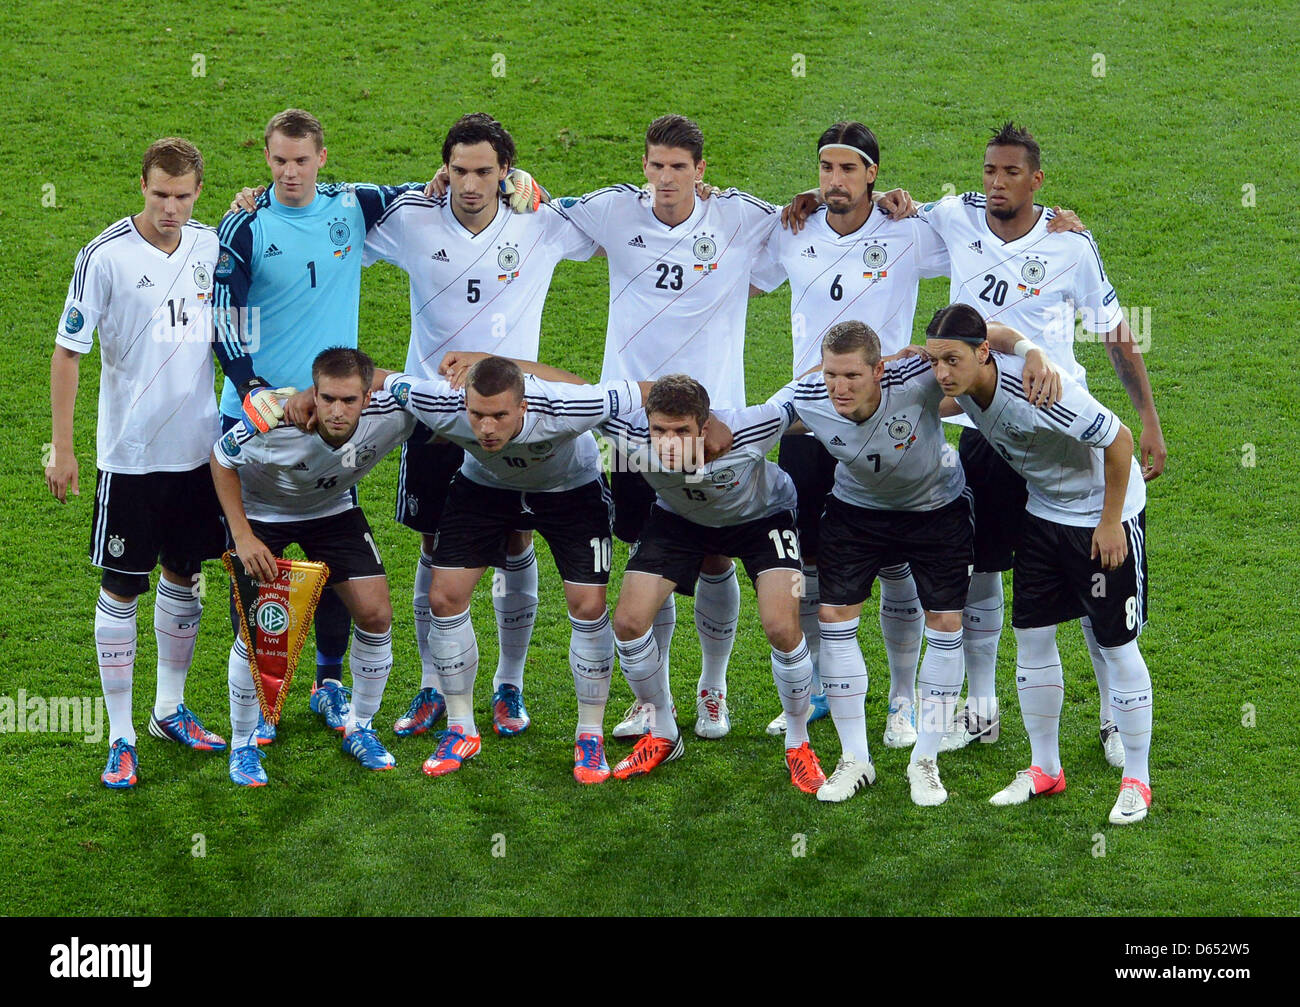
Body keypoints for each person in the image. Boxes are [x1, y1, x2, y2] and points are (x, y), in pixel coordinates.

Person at [879, 123, 1165, 765]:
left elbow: (1115, 332)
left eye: (1010, 173)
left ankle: (1114, 720)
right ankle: (981, 711)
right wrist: (864, 199)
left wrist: (1147, 418)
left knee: (1094, 581)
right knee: (976, 571)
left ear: (1036, 180)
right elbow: (891, 212)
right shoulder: (955, 216)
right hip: (976, 428)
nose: (996, 182)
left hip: (1056, 427)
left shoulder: (1071, 245)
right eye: (988, 171)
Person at [360, 113, 598, 742]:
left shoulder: (540, 222)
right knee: (436, 547)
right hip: (437, 417)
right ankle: (434, 685)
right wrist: (257, 199)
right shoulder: (412, 218)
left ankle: (508, 683)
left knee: (517, 543)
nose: (470, 184)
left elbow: (625, 223)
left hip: (513, 419)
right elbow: (329, 223)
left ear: (506, 173)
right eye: (460, 170)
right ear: (445, 170)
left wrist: (702, 196)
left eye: (484, 172)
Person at [554, 114, 782, 741]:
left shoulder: (740, 217)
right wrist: (512, 179)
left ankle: (713, 686)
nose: (665, 180)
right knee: (641, 554)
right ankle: (650, 700)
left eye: (678, 168)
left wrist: (888, 200)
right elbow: (536, 208)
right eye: (655, 166)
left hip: (714, 426)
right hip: (628, 426)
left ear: (701, 170)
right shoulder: (613, 213)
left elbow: (816, 219)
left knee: (713, 558)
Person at [768, 319, 1058, 805]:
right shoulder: (805, 395)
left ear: (881, 370)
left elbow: (984, 335)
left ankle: (925, 759)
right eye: (831, 375)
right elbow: (749, 421)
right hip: (856, 512)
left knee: (946, 624)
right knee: (834, 616)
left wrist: (1031, 352)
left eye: (852, 377)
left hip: (935, 512)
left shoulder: (920, 374)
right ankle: (853, 758)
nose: (839, 387)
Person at [211, 108, 423, 737]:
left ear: (321, 158)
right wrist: (251, 387)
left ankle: (329, 682)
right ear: (267, 159)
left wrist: (504, 180)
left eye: (301, 160)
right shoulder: (246, 223)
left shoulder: (351, 205)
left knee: (331, 552)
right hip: (259, 416)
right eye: (278, 160)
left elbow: (430, 192)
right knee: (252, 565)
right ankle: (258, 697)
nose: (290, 172)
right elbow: (223, 316)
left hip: (336, 412)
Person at [926, 303, 1153, 824]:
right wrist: (1028, 347)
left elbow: (1117, 439)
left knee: (1116, 644)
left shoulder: (1040, 394)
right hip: (1043, 513)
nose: (941, 374)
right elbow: (1000, 330)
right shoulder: (972, 375)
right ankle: (1045, 767)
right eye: (936, 360)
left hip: (1100, 514)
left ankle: (1137, 778)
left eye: (951, 361)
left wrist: (1111, 521)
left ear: (982, 355)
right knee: (1031, 637)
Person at [47, 137, 227, 789]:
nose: (170, 208)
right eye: (159, 195)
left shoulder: (211, 243)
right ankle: (120, 734)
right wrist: (63, 448)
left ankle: (168, 709)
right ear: (142, 185)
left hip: (198, 453)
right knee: (123, 582)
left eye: (181, 196)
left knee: (185, 572)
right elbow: (69, 353)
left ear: (197, 191)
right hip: (130, 456)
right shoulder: (105, 256)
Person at [373, 355, 643, 783]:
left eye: (500, 415)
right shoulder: (438, 402)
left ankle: (589, 736)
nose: (486, 428)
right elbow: (379, 378)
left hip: (570, 490)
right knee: (444, 597)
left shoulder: (567, 407)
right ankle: (461, 729)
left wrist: (707, 421)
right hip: (485, 487)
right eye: (477, 415)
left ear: (524, 406)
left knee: (588, 606)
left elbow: (643, 392)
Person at [602, 375, 823, 791]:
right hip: (679, 520)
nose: (668, 443)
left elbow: (805, 391)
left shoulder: (751, 426)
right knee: (629, 622)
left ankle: (799, 744)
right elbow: (565, 396)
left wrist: (891, 363)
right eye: (659, 431)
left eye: (681, 431)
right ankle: (664, 733)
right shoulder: (625, 433)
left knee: (781, 627)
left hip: (761, 519)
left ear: (705, 427)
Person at [210, 348, 416, 786]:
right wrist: (243, 537)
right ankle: (244, 743)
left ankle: (360, 726)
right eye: (327, 399)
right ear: (313, 394)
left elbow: (440, 397)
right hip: (262, 511)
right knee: (258, 627)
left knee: (376, 614)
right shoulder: (271, 421)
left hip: (332, 509)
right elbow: (221, 458)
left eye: (349, 400)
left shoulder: (396, 413)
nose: (337, 411)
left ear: (368, 396)